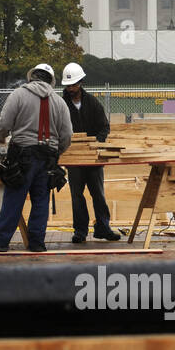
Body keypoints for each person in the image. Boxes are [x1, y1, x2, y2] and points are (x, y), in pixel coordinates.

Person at [0, 63, 72, 253]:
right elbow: (67, 134)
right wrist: (57, 151)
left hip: (22, 156)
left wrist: (1, 139)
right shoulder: (59, 102)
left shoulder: (18, 95)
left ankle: (1, 243)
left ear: (32, 77)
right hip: (48, 159)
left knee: (14, 199)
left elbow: (4, 123)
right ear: (51, 80)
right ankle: (36, 243)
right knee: (41, 200)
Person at [61, 62, 121, 243]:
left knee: (98, 194)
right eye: (68, 85)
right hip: (73, 159)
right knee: (77, 196)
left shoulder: (92, 103)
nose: (71, 88)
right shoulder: (62, 105)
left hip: (93, 158)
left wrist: (96, 144)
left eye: (74, 85)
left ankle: (103, 227)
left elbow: (104, 127)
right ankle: (80, 231)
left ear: (80, 83)